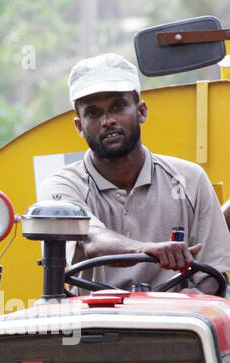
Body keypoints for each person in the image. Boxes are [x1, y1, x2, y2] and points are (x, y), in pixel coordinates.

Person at [38, 53, 230, 296]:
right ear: (79, 126)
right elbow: (92, 239)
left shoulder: (190, 179)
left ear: (141, 111)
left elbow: (213, 273)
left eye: (118, 107)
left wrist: (189, 302)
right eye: (94, 113)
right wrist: (148, 250)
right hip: (92, 327)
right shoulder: (61, 187)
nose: (108, 121)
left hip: (178, 326)